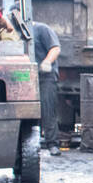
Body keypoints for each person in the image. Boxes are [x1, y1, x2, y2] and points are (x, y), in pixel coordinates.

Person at [28, 20, 62, 155]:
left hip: (45, 76)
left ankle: (52, 144)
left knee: (48, 109)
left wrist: (47, 62)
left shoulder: (42, 29)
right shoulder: (15, 32)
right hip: (27, 76)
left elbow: (55, 48)